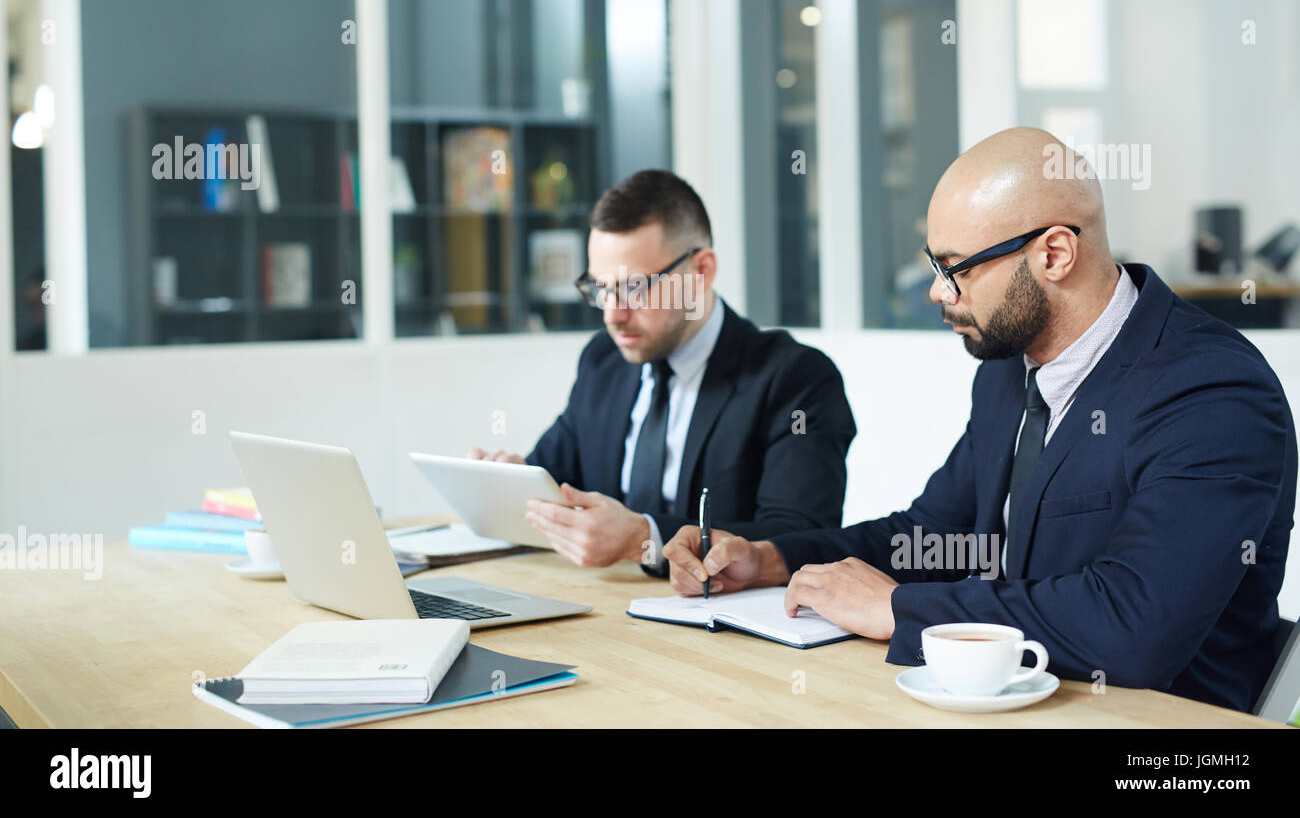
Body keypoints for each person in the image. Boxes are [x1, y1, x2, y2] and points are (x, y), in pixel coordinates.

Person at [663, 127, 1296, 712]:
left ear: (1054, 254)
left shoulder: (1213, 392)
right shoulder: (1006, 369)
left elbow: (1135, 625)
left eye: (956, 268)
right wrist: (771, 559)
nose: (939, 291)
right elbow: (935, 534)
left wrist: (897, 608)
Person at [469, 169, 856, 574]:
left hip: (723, 627)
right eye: (599, 289)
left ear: (701, 271)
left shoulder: (795, 379)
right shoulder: (604, 360)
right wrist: (513, 490)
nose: (612, 315)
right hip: (605, 614)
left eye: (634, 288)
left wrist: (644, 539)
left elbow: (800, 539)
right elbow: (556, 481)